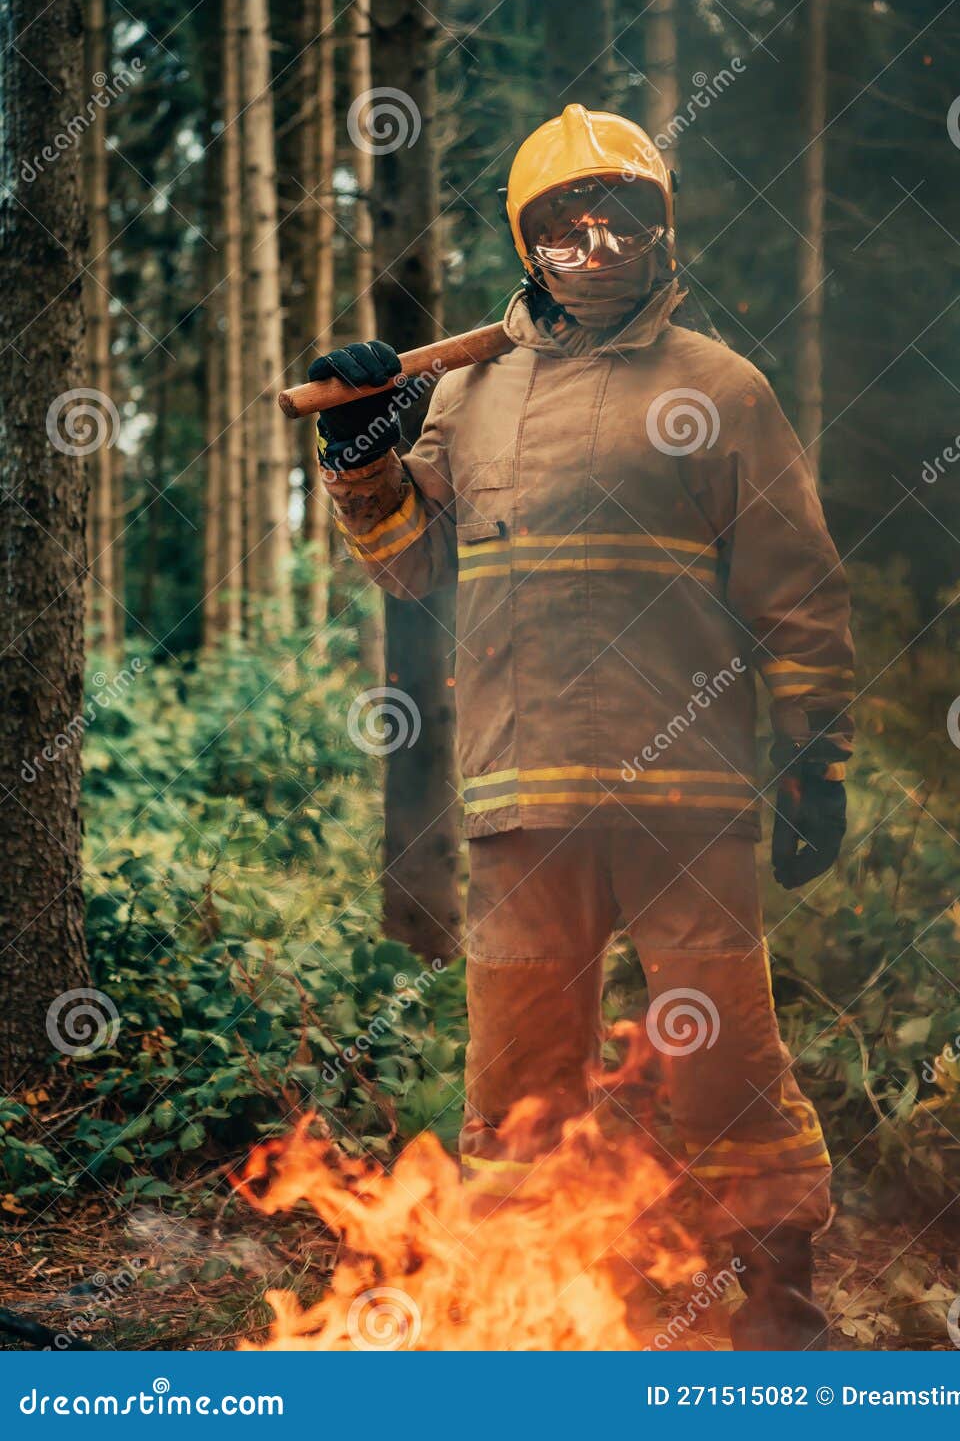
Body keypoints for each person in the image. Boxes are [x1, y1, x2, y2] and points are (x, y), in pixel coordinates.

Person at [309, 105, 854, 1350]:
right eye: (563, 224)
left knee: (725, 1069)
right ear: (529, 243)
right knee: (517, 1086)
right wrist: (359, 456)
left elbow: (797, 588)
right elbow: (409, 565)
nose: (592, 242)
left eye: (620, 218)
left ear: (659, 234)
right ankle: (529, 1329)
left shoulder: (720, 389)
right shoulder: (467, 395)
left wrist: (815, 755)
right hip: (522, 799)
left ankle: (773, 1309)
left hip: (691, 800)